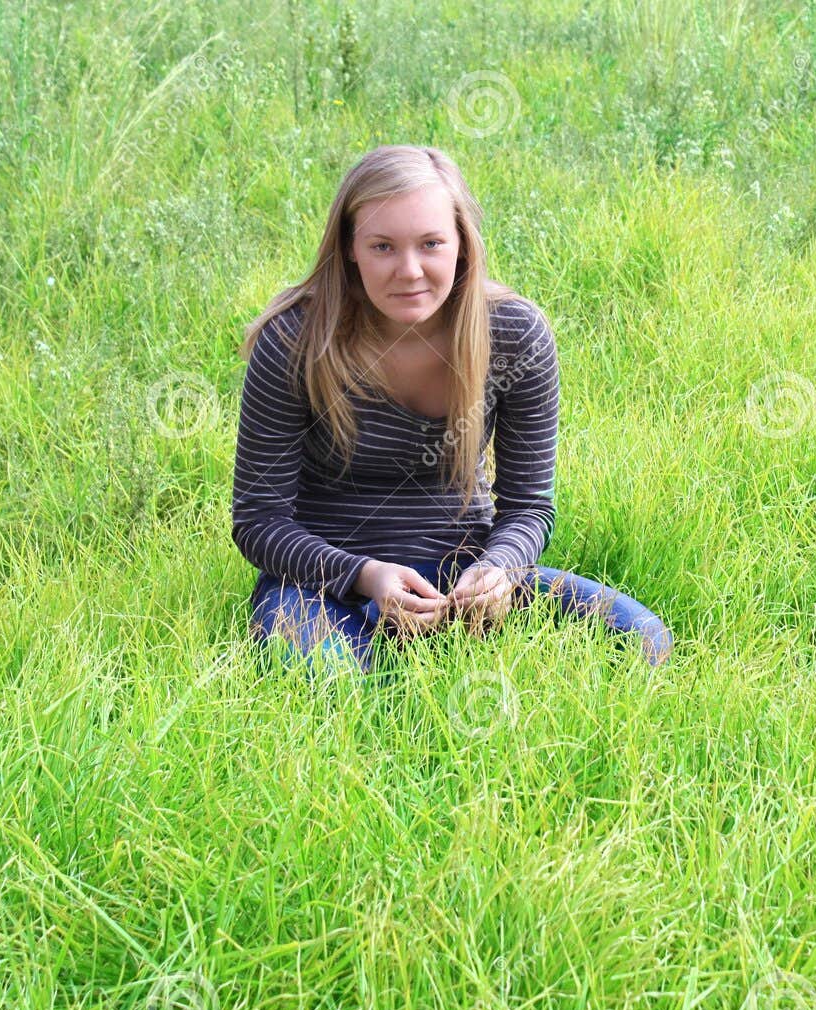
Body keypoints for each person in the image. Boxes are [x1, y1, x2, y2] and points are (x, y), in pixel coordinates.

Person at [230, 144, 673, 675]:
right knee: (330, 680)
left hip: (465, 574)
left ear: (462, 243)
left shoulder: (514, 335)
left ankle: (457, 637)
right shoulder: (295, 339)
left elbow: (529, 507)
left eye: (431, 243)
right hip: (325, 581)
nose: (409, 270)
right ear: (349, 247)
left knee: (643, 639)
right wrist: (366, 575)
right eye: (383, 247)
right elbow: (260, 521)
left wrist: (499, 570)